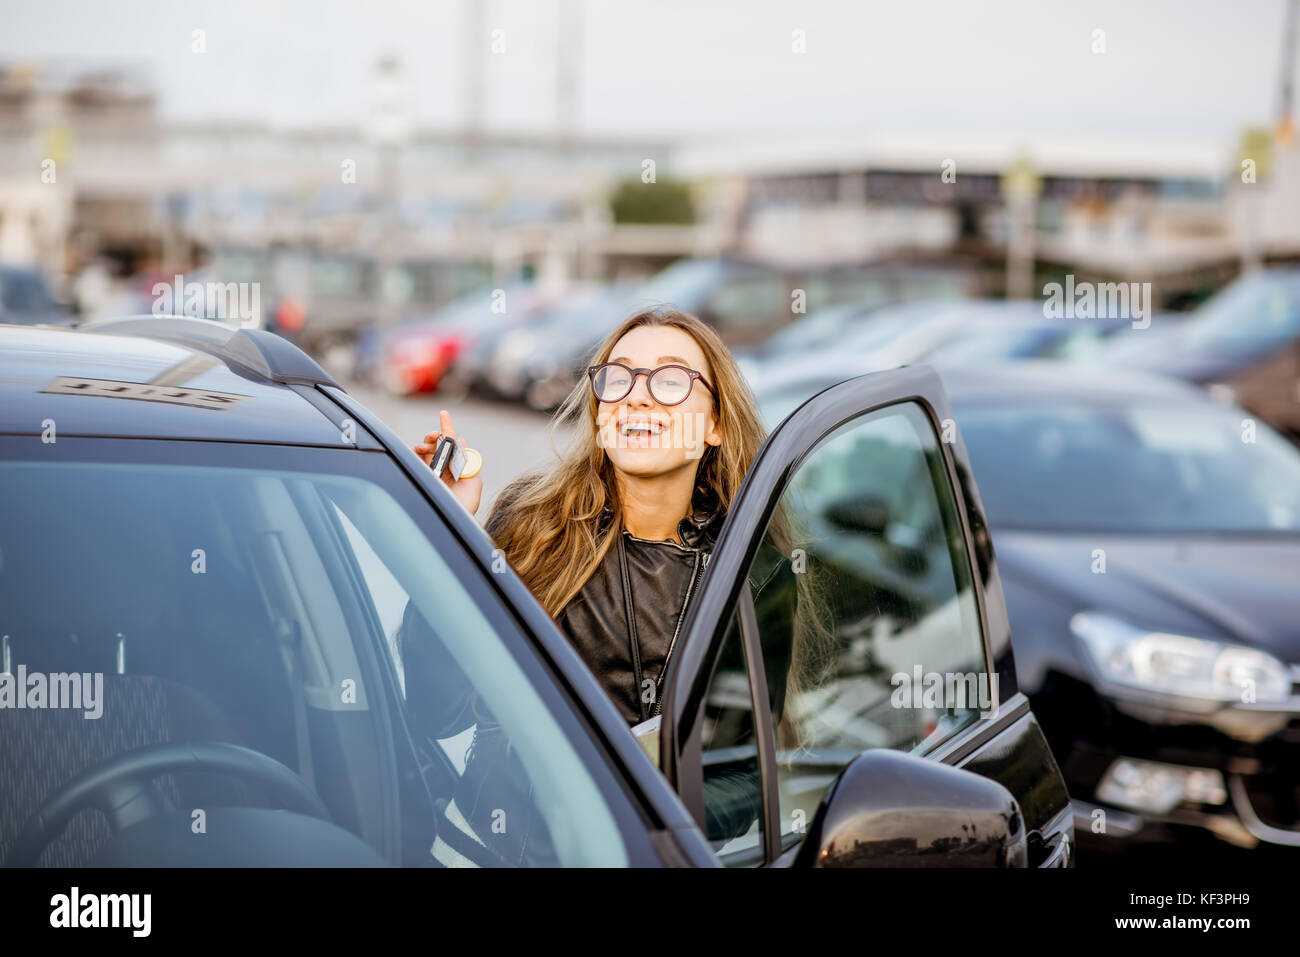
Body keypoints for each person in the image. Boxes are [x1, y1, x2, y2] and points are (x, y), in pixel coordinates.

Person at [404, 306, 829, 865]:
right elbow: (436, 711)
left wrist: (618, 824)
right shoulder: (529, 524)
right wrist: (447, 533)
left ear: (714, 426)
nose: (639, 395)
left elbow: (742, 782)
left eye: (673, 380)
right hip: (481, 851)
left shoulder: (754, 573)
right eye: (619, 376)